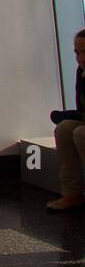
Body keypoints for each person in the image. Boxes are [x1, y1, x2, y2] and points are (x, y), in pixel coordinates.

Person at [48, 28, 85, 211]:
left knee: (81, 133)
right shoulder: (82, 72)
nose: (80, 58)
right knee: (64, 128)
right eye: (77, 52)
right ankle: (72, 194)